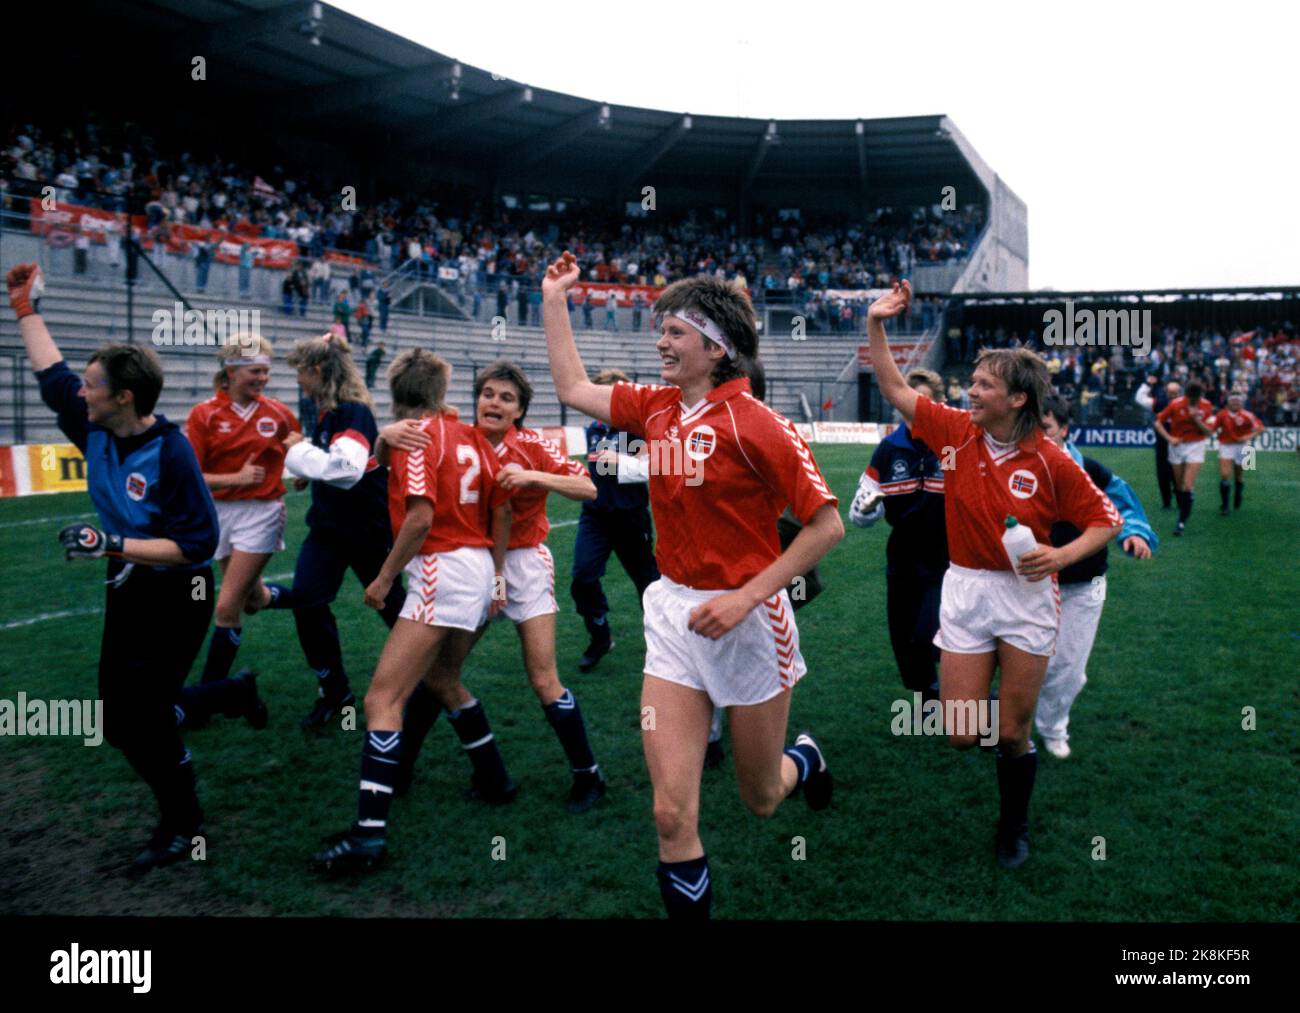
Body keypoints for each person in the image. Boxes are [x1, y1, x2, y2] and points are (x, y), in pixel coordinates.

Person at [543, 251, 844, 919]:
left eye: (674, 332)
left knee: (760, 797)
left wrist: (746, 595)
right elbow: (571, 386)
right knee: (670, 811)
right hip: (672, 617)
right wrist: (555, 298)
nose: (661, 343)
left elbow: (827, 525)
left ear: (716, 346)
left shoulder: (760, 423)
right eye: (662, 331)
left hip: (748, 618)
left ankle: (807, 757)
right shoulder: (653, 407)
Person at [866, 280, 1121, 870]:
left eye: (984, 385)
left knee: (1010, 732)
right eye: (971, 382)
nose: (969, 391)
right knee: (959, 733)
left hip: (1028, 597)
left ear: (1018, 400)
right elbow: (893, 386)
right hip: (965, 588)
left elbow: (1103, 521)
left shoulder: (1052, 460)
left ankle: (1014, 824)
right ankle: (1012, 738)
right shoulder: (957, 431)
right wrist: (876, 323)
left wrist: (1060, 558)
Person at [7, 263, 227, 872]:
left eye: (93, 384)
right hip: (128, 586)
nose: (82, 391)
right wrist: (25, 308)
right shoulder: (91, 421)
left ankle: (184, 825)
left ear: (124, 397)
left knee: (145, 717)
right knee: (115, 719)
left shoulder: (173, 453)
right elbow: (50, 373)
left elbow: (196, 546)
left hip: (177, 595)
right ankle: (227, 694)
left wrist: (110, 543)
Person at [311, 350, 513, 873]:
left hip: (439, 569)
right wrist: (496, 577)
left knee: (382, 698)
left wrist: (382, 578)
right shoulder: (469, 435)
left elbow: (420, 519)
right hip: (475, 568)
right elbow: (500, 507)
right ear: (443, 390)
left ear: (394, 392)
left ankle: (369, 838)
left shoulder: (415, 437)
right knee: (444, 680)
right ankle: (494, 779)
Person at [390, 361, 608, 812]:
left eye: (506, 398)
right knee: (440, 674)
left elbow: (587, 489)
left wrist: (535, 478)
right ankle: (404, 767)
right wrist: (386, 435)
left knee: (543, 677)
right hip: (476, 567)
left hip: (525, 566)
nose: (494, 402)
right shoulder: (459, 436)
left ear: (520, 410)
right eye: (488, 393)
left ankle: (589, 777)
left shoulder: (532, 445)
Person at [252, 335, 408, 729]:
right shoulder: (326, 408)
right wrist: (308, 469)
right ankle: (336, 695)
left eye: (301, 373)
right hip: (328, 529)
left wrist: (297, 452)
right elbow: (331, 464)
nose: (298, 381)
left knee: (396, 611)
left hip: (367, 530)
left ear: (317, 372)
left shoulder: (352, 411)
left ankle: (436, 680)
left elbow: (345, 470)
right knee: (308, 602)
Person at [1037, 396, 1156, 759]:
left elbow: (1124, 505)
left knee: (1065, 667)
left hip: (1083, 585)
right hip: (1028, 585)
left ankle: (1053, 727)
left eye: (1046, 430)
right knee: (1025, 661)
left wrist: (1133, 533)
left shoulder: (1091, 471)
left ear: (1064, 430)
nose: (1038, 439)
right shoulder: (1014, 470)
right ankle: (1013, 721)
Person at [184, 336, 299, 699]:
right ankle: (307, 600)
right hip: (218, 513)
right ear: (231, 372)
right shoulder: (204, 414)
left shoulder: (279, 413)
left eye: (266, 371)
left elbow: (297, 447)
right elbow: (190, 476)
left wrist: (300, 468)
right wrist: (233, 479)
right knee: (252, 599)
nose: (262, 378)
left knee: (226, 605)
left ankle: (207, 696)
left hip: (262, 512)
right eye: (255, 371)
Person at [849, 368, 948, 702]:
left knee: (928, 636)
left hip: (947, 559)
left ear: (939, 404)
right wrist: (867, 508)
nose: (912, 406)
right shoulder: (889, 449)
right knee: (904, 637)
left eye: (921, 400)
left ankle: (972, 690)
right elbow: (860, 510)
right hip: (902, 557)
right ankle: (928, 697)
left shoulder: (954, 442)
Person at [570, 368, 660, 673]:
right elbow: (597, 471)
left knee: (649, 586)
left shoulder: (636, 430)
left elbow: (653, 467)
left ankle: (664, 645)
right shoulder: (593, 429)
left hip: (631, 518)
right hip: (595, 516)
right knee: (583, 577)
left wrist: (626, 461)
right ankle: (600, 636)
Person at [1153, 380, 1216, 536]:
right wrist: (1169, 438)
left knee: (1188, 484)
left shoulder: (1207, 406)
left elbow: (1209, 432)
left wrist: (1196, 420)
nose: (1193, 401)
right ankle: (1186, 502)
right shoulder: (1175, 404)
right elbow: (1158, 422)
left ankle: (1180, 524)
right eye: (1190, 398)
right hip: (1177, 445)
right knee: (1180, 486)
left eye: (1196, 398)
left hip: (1196, 445)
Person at [1213, 391, 1266, 515]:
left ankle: (1238, 494)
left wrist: (1248, 436)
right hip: (1226, 445)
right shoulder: (1222, 415)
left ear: (1241, 402)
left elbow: (1261, 428)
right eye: (1233, 401)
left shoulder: (1248, 415)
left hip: (1245, 446)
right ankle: (1225, 506)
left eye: (1238, 401)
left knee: (1239, 475)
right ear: (1229, 402)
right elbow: (1213, 429)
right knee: (1225, 475)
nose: (1235, 403)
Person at [1135, 375, 1176, 509]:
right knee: (1163, 472)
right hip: (1162, 443)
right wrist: (1147, 384)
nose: (1172, 395)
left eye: (1174, 393)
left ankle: (1182, 499)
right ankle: (1166, 502)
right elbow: (1139, 398)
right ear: (1166, 391)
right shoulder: (1160, 403)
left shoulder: (1185, 404)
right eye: (1170, 392)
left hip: (1180, 444)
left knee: (1178, 473)